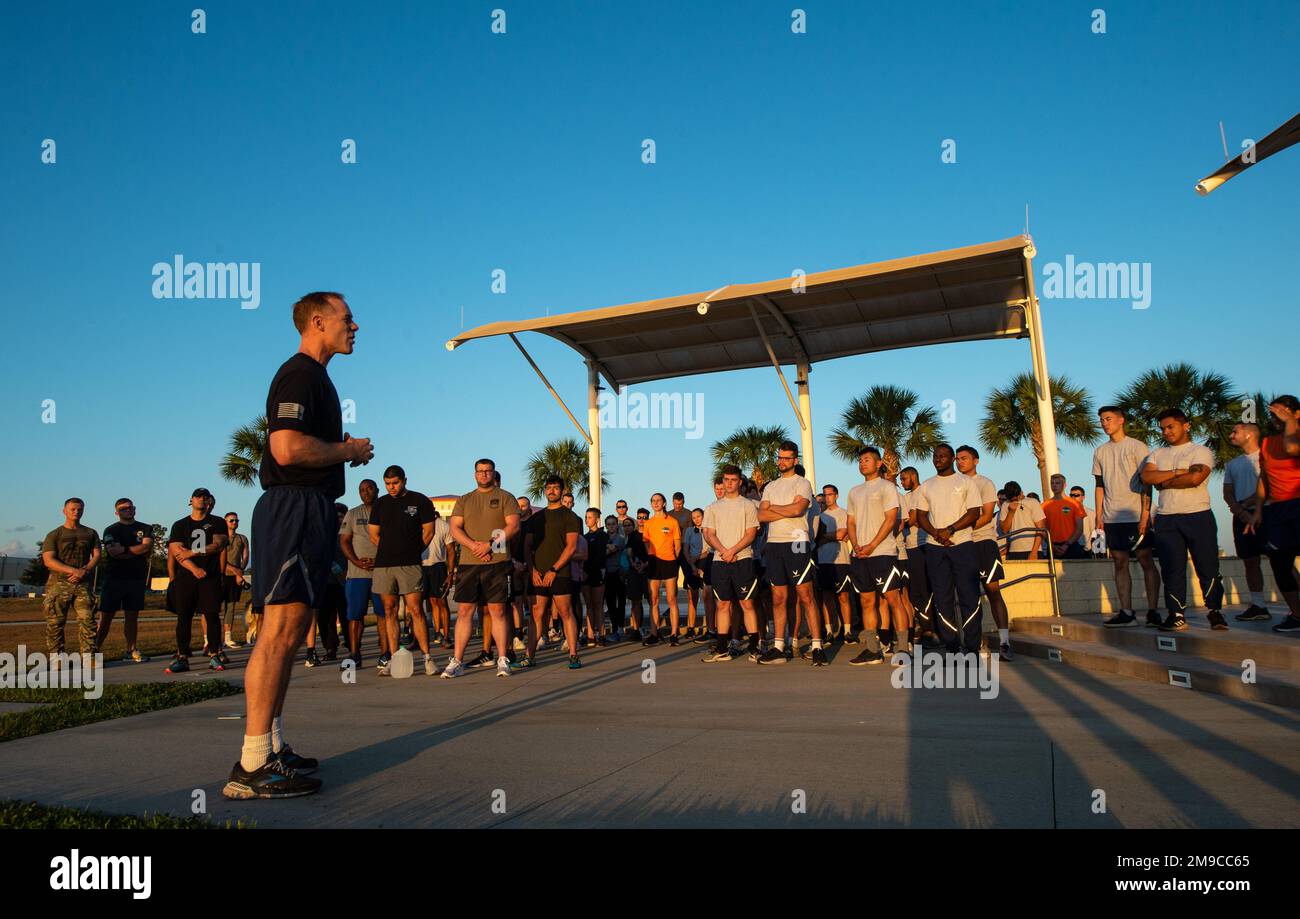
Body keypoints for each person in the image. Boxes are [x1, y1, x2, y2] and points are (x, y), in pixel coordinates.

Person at [224, 291, 373, 800]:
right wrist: (348, 449)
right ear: (317, 321)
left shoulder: (318, 378)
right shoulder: (300, 374)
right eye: (347, 319)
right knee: (279, 631)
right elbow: (285, 448)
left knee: (290, 633)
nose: (356, 327)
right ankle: (250, 765)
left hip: (307, 508)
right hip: (292, 507)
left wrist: (336, 453)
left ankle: (271, 746)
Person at [1140, 408, 1226, 631]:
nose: (1166, 432)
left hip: (1198, 515)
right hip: (1167, 519)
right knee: (1172, 569)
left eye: (1171, 427)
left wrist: (1165, 480)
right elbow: (1147, 477)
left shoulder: (1200, 451)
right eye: (1162, 428)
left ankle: (1214, 611)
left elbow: (1196, 477)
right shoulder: (1157, 454)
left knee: (1207, 566)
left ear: (1185, 425)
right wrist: (1178, 472)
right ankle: (1176, 614)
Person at [444, 458, 520, 679]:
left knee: (498, 610)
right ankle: (457, 660)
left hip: (497, 562)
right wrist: (474, 546)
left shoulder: (506, 497)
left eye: (488, 471)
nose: (484, 474)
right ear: (475, 474)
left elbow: (513, 525)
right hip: (469, 562)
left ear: (494, 473)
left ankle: (502, 659)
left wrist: (489, 545)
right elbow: (455, 528)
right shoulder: (464, 500)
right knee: (466, 611)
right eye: (480, 471)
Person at [1092, 405, 1161, 628]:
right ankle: (1126, 611)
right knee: (1119, 562)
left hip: (1134, 514)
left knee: (1145, 560)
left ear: (1121, 420)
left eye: (1109, 419)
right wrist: (1099, 515)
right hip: (1112, 517)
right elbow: (1099, 486)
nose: (1105, 423)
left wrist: (1145, 514)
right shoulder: (1100, 451)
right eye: (1102, 419)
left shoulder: (1137, 447)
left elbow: (1147, 483)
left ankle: (1152, 610)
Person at [756, 441, 825, 665]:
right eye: (779, 457)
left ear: (795, 460)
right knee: (778, 598)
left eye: (786, 458)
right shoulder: (770, 486)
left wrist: (773, 508)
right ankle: (778, 646)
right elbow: (761, 516)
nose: (781, 461)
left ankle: (817, 646)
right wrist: (784, 510)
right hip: (775, 543)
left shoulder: (802, 483)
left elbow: (798, 510)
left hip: (797, 540)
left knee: (805, 595)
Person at [368, 465, 437, 675]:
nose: (392, 487)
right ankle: (393, 657)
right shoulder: (380, 504)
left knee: (415, 609)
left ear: (404, 480)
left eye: (395, 483)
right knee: (389, 610)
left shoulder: (419, 500)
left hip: (410, 564)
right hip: (384, 565)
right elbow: (373, 534)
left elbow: (429, 531)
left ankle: (427, 658)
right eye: (387, 484)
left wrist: (413, 551)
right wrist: (390, 550)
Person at [914, 444, 983, 654]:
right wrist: (936, 533)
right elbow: (920, 516)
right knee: (943, 599)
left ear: (952, 459)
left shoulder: (966, 482)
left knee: (969, 597)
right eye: (935, 456)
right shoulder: (926, 486)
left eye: (943, 456)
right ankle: (952, 646)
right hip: (935, 549)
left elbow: (974, 512)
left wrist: (951, 529)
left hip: (962, 545)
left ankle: (971, 648)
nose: (938, 459)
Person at [515, 475, 583, 669]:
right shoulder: (537, 517)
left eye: (555, 487)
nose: (551, 491)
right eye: (548, 487)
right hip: (538, 574)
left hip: (560, 574)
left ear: (562, 491)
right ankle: (529, 656)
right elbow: (528, 547)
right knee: (536, 614)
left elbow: (570, 547)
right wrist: (533, 570)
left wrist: (554, 569)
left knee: (565, 612)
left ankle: (573, 655)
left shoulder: (570, 517)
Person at [845, 447, 905, 665]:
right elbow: (850, 522)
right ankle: (872, 650)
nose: (862, 463)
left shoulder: (887, 487)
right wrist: (857, 545)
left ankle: (903, 649)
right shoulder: (854, 491)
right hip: (860, 555)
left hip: (882, 553)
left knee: (893, 600)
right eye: (860, 460)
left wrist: (872, 545)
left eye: (867, 459)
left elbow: (891, 520)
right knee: (866, 600)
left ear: (879, 463)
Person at [955, 445, 1012, 660]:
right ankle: (974, 644)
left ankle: (1005, 642)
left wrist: (956, 529)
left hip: (984, 543)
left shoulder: (984, 483)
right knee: (968, 597)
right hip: (962, 545)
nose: (960, 462)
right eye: (958, 459)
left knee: (993, 591)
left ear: (976, 461)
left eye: (965, 458)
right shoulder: (954, 485)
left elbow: (987, 515)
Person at [1249, 395, 1300, 632]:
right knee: (1279, 562)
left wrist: (1291, 421)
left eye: (1282, 412)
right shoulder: (1268, 443)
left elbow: (1291, 448)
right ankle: (1297, 614)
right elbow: (1263, 478)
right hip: (1278, 509)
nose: (1275, 417)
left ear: (1295, 413)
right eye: (1273, 413)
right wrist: (1259, 510)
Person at [701, 464, 762, 662]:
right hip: (720, 560)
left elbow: (751, 533)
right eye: (726, 480)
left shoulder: (748, 505)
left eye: (733, 480)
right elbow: (709, 534)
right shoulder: (712, 508)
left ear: (739, 482)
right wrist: (723, 551)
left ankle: (754, 647)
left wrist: (733, 551)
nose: (729, 483)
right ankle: (722, 648)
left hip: (742, 559)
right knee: (723, 604)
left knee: (746, 603)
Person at [165, 488, 229, 674]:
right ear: (191, 500)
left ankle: (214, 653)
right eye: (198, 497)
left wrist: (193, 552)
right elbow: (177, 551)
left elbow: (218, 544)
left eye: (205, 497)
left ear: (209, 501)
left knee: (211, 615)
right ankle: (182, 656)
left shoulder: (217, 522)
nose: (202, 500)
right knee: (183, 616)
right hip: (187, 577)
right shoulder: (180, 525)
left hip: (210, 577)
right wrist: (194, 568)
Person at [41, 498, 100, 663]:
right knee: (55, 623)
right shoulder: (54, 534)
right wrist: (73, 571)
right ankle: (57, 658)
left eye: (80, 509)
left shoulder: (90, 533)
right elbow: (48, 560)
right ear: (64, 511)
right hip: (59, 584)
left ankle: (89, 657)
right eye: (73, 509)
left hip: (83, 584)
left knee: (88, 620)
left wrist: (84, 570)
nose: (77, 512)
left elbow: (97, 555)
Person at [96, 497, 153, 662]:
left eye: (129, 508)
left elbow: (147, 546)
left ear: (134, 509)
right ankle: (94, 650)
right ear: (116, 512)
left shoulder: (145, 528)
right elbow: (113, 552)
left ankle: (131, 650)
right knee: (105, 617)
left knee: (132, 617)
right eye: (123, 509)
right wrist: (136, 551)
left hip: (136, 578)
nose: (127, 510)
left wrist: (126, 550)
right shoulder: (111, 530)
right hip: (114, 578)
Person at [1224, 422, 1270, 620]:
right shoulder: (1233, 464)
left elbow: (1269, 487)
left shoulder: (1267, 457)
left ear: (1250, 434)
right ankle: (1259, 606)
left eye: (1236, 431)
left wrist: (1249, 505)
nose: (1231, 434)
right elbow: (1227, 493)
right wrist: (1241, 511)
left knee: (1281, 560)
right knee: (1250, 562)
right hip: (1242, 518)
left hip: (1268, 514)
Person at [339, 479, 386, 670]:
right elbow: (344, 541)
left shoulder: (385, 510)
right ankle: (354, 654)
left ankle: (386, 654)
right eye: (361, 490)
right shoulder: (352, 513)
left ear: (377, 490)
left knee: (383, 614)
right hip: (357, 574)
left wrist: (381, 559)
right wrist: (356, 561)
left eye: (369, 489)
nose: (365, 492)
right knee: (355, 616)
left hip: (381, 573)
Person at [305, 502, 349, 665]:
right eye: (335, 516)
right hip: (327, 580)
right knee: (326, 617)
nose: (338, 520)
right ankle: (330, 647)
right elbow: (322, 554)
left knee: (347, 615)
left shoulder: (349, 533)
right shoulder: (325, 534)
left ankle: (352, 644)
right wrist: (337, 570)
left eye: (340, 516)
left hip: (347, 580)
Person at [898, 467, 934, 646]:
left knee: (925, 588)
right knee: (915, 591)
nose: (901, 482)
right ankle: (923, 626)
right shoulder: (905, 497)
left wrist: (897, 526)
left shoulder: (923, 491)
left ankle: (930, 629)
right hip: (909, 547)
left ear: (913, 476)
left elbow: (912, 519)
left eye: (903, 479)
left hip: (923, 545)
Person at [643, 493, 683, 645]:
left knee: (671, 599)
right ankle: (654, 634)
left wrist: (672, 558)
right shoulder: (648, 523)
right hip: (654, 562)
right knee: (653, 599)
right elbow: (646, 543)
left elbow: (678, 546)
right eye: (653, 500)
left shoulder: (672, 522)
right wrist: (651, 556)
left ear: (664, 503)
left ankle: (674, 634)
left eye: (658, 500)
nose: (656, 503)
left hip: (669, 562)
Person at [815, 484, 854, 642]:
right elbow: (817, 538)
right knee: (826, 597)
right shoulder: (820, 517)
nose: (827, 498)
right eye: (825, 495)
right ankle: (829, 631)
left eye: (830, 494)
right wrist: (832, 536)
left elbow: (844, 533)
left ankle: (847, 632)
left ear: (836, 495)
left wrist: (825, 537)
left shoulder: (844, 513)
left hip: (841, 560)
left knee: (844, 596)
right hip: (823, 560)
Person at [1042, 473, 1088, 560]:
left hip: (1071, 546)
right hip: (1052, 547)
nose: (1054, 486)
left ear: (1064, 485)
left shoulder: (1075, 504)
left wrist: (1066, 545)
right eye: (1052, 483)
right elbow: (1043, 529)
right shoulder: (1044, 505)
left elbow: (1079, 529)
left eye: (1057, 483)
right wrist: (1051, 545)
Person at [221, 510, 249, 649]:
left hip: (235, 578)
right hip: (221, 575)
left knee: (231, 607)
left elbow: (245, 555)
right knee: (212, 607)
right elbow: (219, 559)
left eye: (236, 520)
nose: (234, 523)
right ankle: (208, 640)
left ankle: (228, 637)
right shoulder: (220, 538)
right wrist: (236, 571)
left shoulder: (242, 538)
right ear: (225, 522)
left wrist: (241, 572)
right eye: (231, 520)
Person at [999, 483, 1046, 560]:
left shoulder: (1033, 502)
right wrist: (1011, 512)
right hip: (1014, 550)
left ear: (1020, 492)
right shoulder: (1005, 504)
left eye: (1016, 498)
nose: (1014, 500)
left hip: (1032, 550)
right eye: (1011, 499)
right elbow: (1004, 530)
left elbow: (1040, 529)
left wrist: (1034, 552)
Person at [622, 514, 650, 641]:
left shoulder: (650, 532)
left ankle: (656, 630)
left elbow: (653, 552)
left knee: (652, 601)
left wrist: (645, 565)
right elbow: (629, 553)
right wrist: (634, 564)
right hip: (634, 571)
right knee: (635, 601)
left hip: (649, 571)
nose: (642, 519)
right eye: (639, 517)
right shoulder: (631, 536)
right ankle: (636, 629)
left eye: (644, 517)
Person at [683, 507, 709, 640]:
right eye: (694, 517)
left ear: (703, 516)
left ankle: (710, 628)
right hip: (691, 564)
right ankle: (691, 628)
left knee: (707, 597)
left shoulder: (708, 529)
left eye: (699, 516)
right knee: (692, 598)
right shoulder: (689, 531)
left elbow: (709, 549)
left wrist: (698, 560)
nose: (696, 519)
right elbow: (686, 549)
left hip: (704, 562)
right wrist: (692, 565)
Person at [603, 514, 627, 640]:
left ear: (617, 525)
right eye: (609, 524)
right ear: (606, 525)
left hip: (619, 572)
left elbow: (611, 549)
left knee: (621, 602)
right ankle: (614, 629)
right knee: (610, 603)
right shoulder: (605, 537)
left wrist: (604, 546)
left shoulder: (620, 537)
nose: (611, 526)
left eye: (613, 523)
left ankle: (620, 628)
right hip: (607, 573)